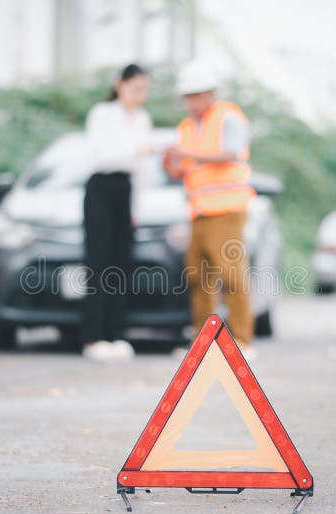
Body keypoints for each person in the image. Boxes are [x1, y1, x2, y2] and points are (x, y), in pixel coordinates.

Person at [164, 60, 258, 361]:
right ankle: (203, 343)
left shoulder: (228, 117)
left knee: (231, 273)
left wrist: (188, 154)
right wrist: (171, 163)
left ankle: (242, 341)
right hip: (199, 212)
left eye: (197, 96)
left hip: (227, 210)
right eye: (188, 97)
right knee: (199, 277)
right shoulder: (186, 128)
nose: (192, 103)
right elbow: (183, 169)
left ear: (210, 94)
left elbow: (231, 153)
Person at [82, 64, 152, 363]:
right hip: (101, 188)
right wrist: (136, 150)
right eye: (135, 88)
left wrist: (136, 209)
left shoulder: (143, 118)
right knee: (98, 263)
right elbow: (102, 157)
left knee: (121, 266)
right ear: (119, 85)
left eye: (144, 90)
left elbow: (141, 171)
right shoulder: (102, 114)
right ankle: (93, 337)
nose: (139, 95)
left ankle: (115, 335)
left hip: (126, 189)